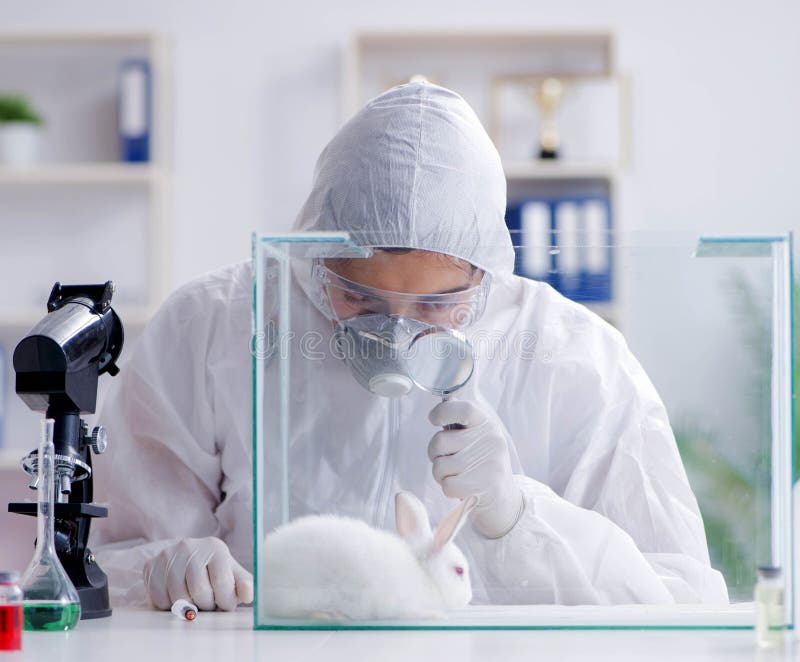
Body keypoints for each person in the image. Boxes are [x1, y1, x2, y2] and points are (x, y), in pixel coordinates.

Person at [92, 81, 728, 612]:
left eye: (436, 305)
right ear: (315, 258)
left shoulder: (574, 358)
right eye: (360, 298)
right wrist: (166, 567)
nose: (395, 335)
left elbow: (676, 597)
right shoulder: (212, 327)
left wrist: (516, 515)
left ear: (485, 274)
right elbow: (103, 563)